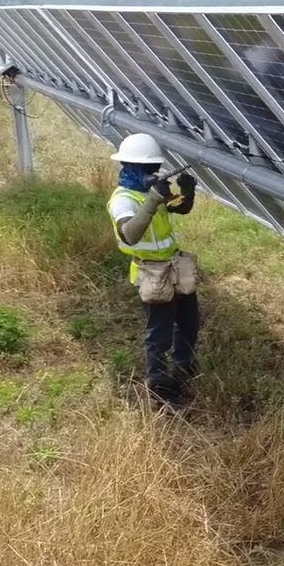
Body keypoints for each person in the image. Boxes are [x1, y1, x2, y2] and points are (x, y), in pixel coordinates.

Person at [106, 133, 199, 407]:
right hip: (151, 273)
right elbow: (129, 234)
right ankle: (158, 382)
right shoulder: (122, 199)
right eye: (146, 169)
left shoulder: (151, 191)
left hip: (174, 267)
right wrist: (152, 200)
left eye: (153, 168)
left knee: (189, 323)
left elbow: (180, 209)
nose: (151, 173)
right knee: (159, 333)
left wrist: (187, 191)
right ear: (129, 167)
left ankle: (183, 368)